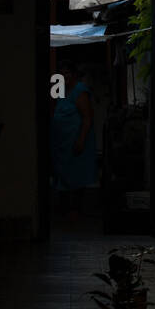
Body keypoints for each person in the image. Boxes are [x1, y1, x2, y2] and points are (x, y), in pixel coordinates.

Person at [51, 62, 97, 220]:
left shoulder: (80, 91)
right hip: (60, 142)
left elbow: (87, 118)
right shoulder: (58, 88)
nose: (65, 76)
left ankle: (75, 209)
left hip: (76, 140)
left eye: (68, 73)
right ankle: (63, 209)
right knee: (60, 174)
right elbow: (53, 108)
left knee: (77, 175)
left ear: (74, 74)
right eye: (61, 73)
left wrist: (81, 140)